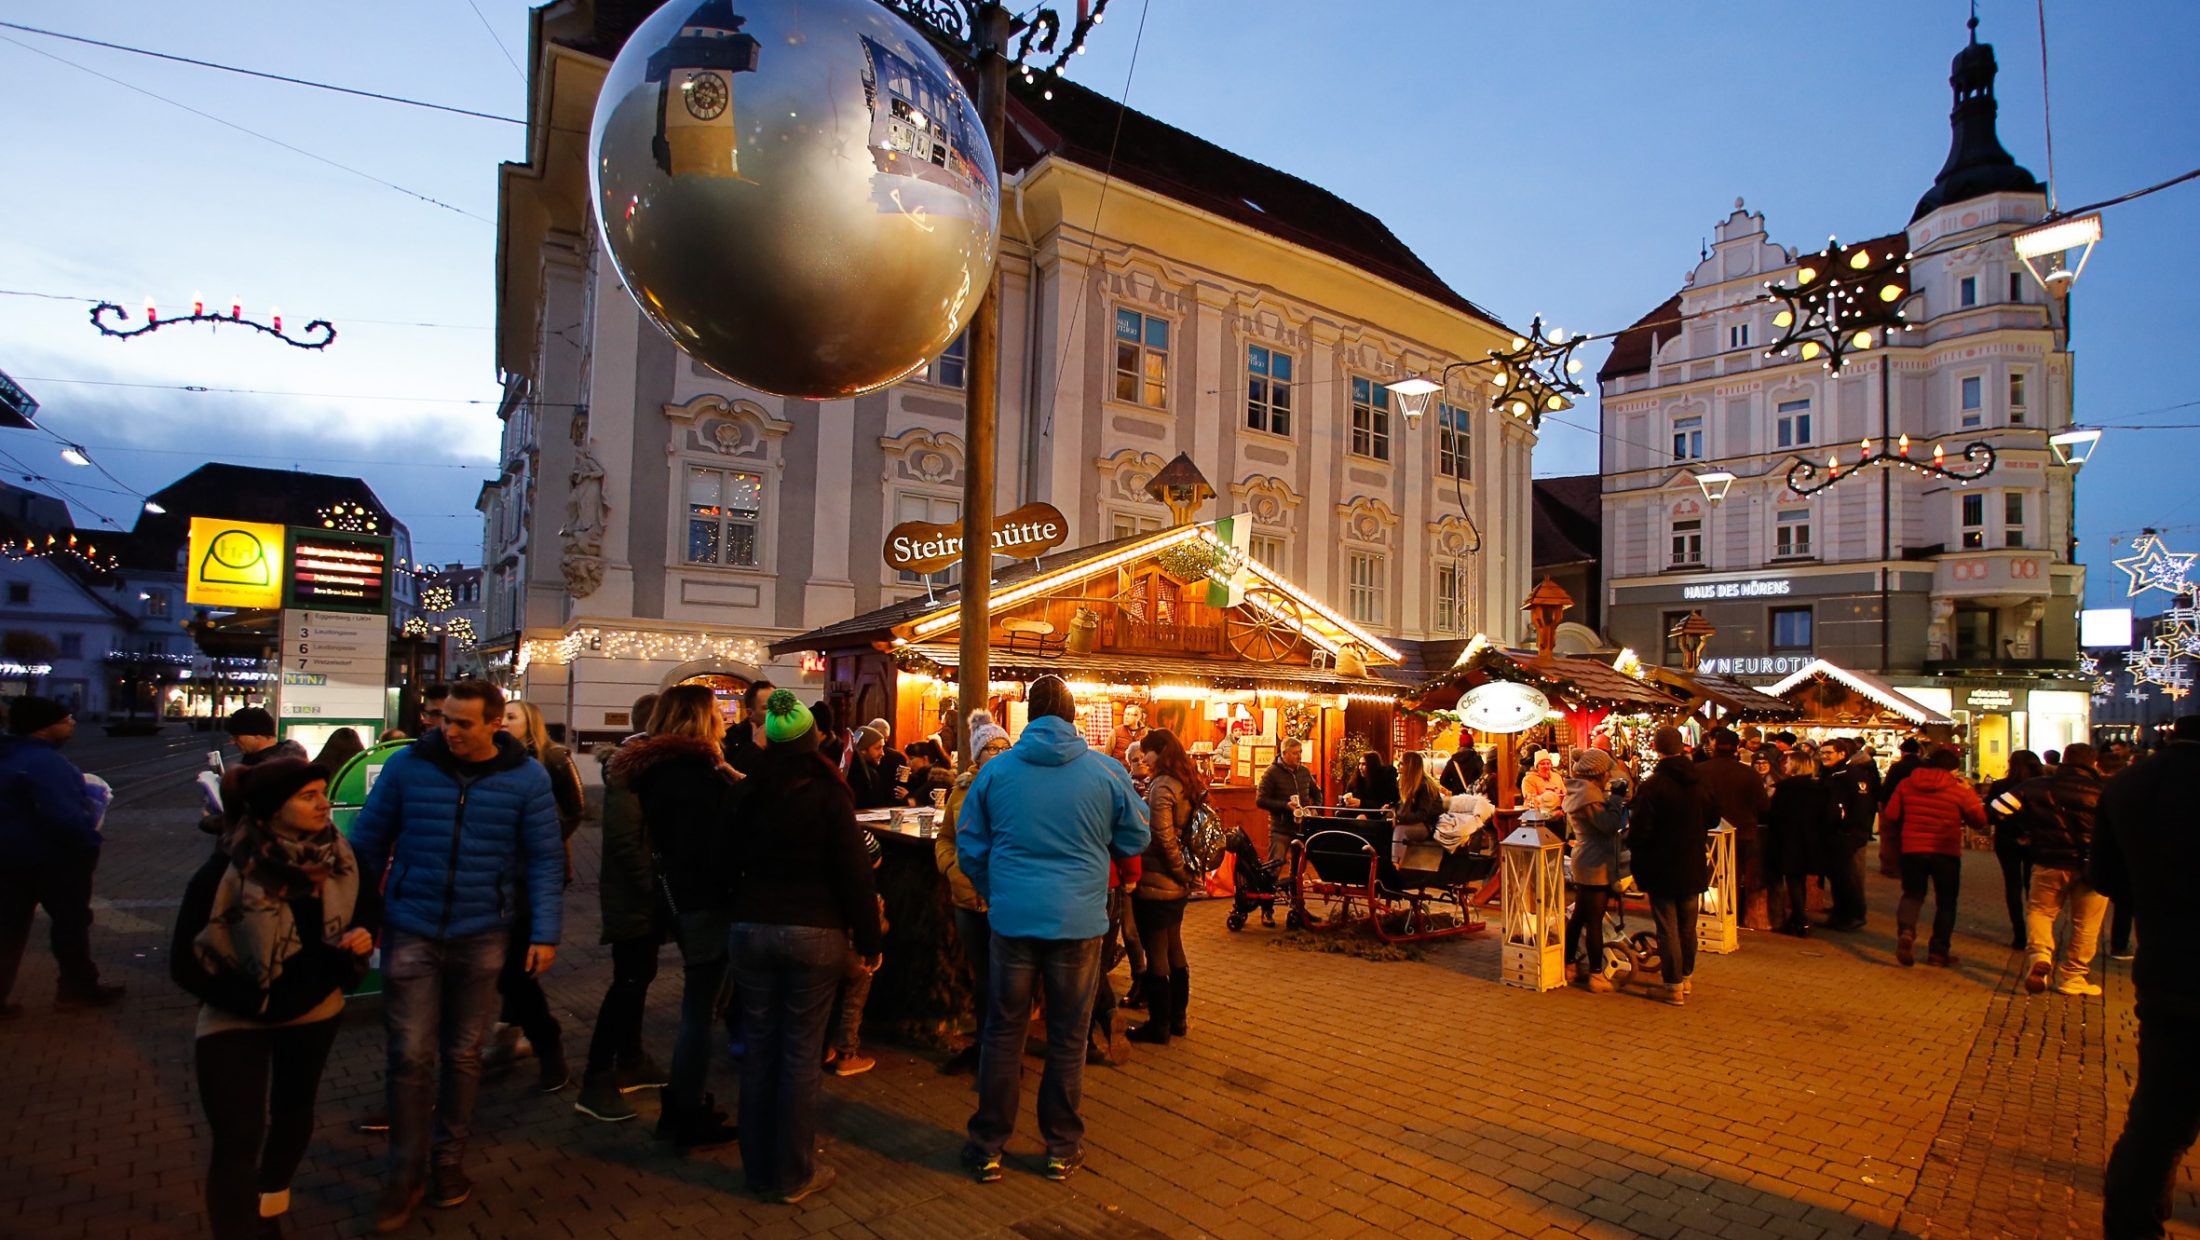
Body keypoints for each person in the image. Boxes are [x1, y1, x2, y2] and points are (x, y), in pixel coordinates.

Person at [349, 680, 563, 1232]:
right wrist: (360, 916)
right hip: (411, 925)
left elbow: (544, 859)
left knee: (463, 1055)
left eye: (463, 723)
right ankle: (404, 1172)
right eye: (445, 719)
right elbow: (368, 841)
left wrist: (544, 932)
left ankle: (447, 1160)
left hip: (483, 929)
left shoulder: (527, 778)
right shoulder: (408, 767)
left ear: (493, 724)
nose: (449, 731)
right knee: (409, 1054)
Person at [171, 758, 379, 1239]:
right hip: (236, 1018)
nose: (324, 803)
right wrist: (248, 1000)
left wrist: (361, 938)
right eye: (308, 796)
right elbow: (184, 963)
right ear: (271, 809)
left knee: (293, 1114)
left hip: (316, 1010)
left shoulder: (342, 859)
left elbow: (368, 909)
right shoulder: (224, 871)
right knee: (237, 1136)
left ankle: (270, 1204)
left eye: (322, 792)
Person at [956, 675, 1149, 1184]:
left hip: (1012, 921)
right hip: (1078, 923)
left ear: (1030, 715)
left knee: (1003, 1032)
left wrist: (998, 889)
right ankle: (1061, 1148)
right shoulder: (1106, 772)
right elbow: (1136, 836)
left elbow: (969, 848)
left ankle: (987, 1147)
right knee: (1067, 1035)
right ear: (1071, 715)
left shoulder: (995, 773)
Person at [728, 692, 881, 1204]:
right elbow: (854, 872)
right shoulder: (828, 793)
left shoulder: (746, 792)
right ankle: (793, 1173)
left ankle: (758, 1169)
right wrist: (869, 938)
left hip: (752, 928)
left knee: (760, 1050)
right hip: (814, 932)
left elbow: (722, 861)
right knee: (798, 1055)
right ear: (812, 741)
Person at [607, 685, 743, 1148]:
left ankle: (686, 1103)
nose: (724, 719)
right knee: (700, 1010)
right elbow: (714, 846)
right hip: (706, 900)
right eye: (717, 712)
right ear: (700, 719)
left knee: (701, 1005)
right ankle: (684, 1110)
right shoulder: (695, 777)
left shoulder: (655, 770)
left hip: (682, 899)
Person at [2092, 714, 2200, 1239]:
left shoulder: (2131, 784)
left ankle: (2131, 1225)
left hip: (2170, 971)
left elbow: (2105, 875)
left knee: (2156, 1122)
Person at [483, 699, 587, 1091]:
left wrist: (545, 839)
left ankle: (542, 1044)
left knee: (515, 967)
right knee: (507, 968)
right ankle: (510, 1036)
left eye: (512, 716)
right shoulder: (491, 761)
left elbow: (576, 808)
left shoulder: (552, 757)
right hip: (493, 879)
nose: (504, 722)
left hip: (534, 875)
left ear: (531, 722)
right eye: (502, 716)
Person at [576, 694, 669, 1123]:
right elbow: (624, 841)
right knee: (628, 981)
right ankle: (596, 1078)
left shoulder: (640, 766)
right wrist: (652, 886)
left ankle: (631, 1058)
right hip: (632, 899)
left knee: (639, 975)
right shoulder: (629, 770)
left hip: (638, 897)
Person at [0, 696, 123, 1016]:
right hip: (52, 858)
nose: (72, 724)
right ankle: (77, 988)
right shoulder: (44, 763)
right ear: (45, 727)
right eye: (66, 719)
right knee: (71, 923)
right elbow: (61, 815)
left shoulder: (10, 756)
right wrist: (89, 841)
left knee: (10, 928)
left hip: (10, 857)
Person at [934, 710, 1011, 1075]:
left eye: (1004, 747)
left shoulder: (1015, 789)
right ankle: (983, 1046)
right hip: (967, 898)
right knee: (981, 977)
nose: (998, 753)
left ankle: (1003, 1054)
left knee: (1005, 979)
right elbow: (946, 837)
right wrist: (951, 867)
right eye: (991, 748)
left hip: (1002, 897)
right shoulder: (962, 789)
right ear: (978, 754)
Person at [2006, 742, 2109, 997]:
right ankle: (2073, 975)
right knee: (2086, 923)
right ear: (2093, 764)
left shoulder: (2035, 786)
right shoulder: (2104, 792)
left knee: (2041, 911)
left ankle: (2040, 955)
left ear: (2064, 760)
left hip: (2049, 861)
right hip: (2092, 866)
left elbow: (1997, 808)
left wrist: (2027, 829)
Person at [1628, 726, 1717, 1006]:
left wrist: (1636, 848)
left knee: (1668, 928)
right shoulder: (1701, 781)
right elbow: (1713, 818)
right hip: (1692, 861)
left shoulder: (1653, 785)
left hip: (1662, 864)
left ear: (1656, 748)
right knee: (1688, 926)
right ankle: (1685, 977)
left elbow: (1640, 830)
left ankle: (1673, 985)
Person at [1125, 728, 1202, 1046]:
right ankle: (1178, 1020)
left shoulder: (1162, 786)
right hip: (1177, 882)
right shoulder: (1187, 781)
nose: (1144, 758)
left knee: (1156, 951)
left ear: (1161, 752)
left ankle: (1159, 1025)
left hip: (1159, 880)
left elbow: (1162, 836)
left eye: (1148, 752)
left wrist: (1178, 870)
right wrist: (1185, 874)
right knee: (1174, 946)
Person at [1881, 746, 1984, 968]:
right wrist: (1970, 793)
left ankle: (1906, 931)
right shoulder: (1958, 790)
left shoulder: (1906, 784)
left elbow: (1891, 814)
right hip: (1945, 851)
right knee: (1946, 902)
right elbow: (1979, 820)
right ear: (1953, 770)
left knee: (1912, 894)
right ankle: (1938, 951)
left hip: (1912, 848)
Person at [1562, 748, 1629, 993]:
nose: (1610, 775)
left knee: (1580, 915)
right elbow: (1608, 826)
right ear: (1598, 773)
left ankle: (1569, 964)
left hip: (1587, 858)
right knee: (1593, 919)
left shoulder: (1581, 792)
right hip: (1594, 862)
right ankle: (1596, 973)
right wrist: (1616, 800)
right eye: (1607, 771)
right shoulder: (1588, 795)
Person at [821, 831, 886, 1078]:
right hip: (856, 956)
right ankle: (847, 1054)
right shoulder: (869, 894)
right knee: (853, 1004)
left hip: (830, 949)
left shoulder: (830, 887)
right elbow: (876, 926)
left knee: (829, 1000)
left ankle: (823, 1048)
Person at [1696, 729, 1772, 930]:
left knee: (1710, 875)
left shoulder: (1700, 771)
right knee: (1735, 875)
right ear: (1737, 747)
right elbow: (1763, 805)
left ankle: (1711, 913)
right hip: (1742, 832)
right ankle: (1731, 914)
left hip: (1708, 832)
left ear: (1714, 745)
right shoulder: (1748, 773)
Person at [1763, 747, 1839, 936]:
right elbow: (1828, 816)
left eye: (1788, 763)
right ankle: (1799, 916)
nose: (1785, 766)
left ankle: (1799, 919)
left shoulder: (1786, 789)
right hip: (1811, 840)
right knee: (1800, 879)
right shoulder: (1819, 788)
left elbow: (1775, 816)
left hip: (1789, 840)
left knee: (1793, 879)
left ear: (1796, 765)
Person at [199, 707, 308, 835]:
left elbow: (252, 820)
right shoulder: (288, 760)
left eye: (236, 736)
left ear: (257, 736)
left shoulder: (264, 772)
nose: (232, 742)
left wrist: (209, 821)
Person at [1986, 750, 2047, 950]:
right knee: (2033, 886)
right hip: (2036, 839)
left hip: (2007, 839)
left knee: (2012, 885)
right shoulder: (2043, 786)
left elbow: (1991, 814)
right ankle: (2034, 932)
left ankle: (2019, 934)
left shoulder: (2000, 786)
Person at [1818, 738, 1873, 931]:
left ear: (1842, 754)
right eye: (1822, 753)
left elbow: (1861, 806)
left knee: (1848, 876)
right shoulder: (1829, 774)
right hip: (1833, 832)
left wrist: (1852, 829)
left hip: (1846, 833)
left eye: (1829, 753)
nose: (1824, 756)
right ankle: (1841, 912)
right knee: (1838, 876)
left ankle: (1853, 915)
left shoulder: (1851, 775)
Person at [1255, 738, 1320, 871]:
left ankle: (1295, 884)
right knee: (1274, 867)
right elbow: (1260, 800)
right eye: (1295, 753)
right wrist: (1285, 806)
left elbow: (1317, 793)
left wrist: (1314, 808)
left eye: (1300, 752)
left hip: (1302, 828)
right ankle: (1270, 885)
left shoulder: (1304, 771)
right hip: (1281, 829)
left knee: (1299, 870)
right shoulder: (1271, 773)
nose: (1299, 756)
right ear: (1284, 753)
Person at [1388, 750, 1446, 868]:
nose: (1398, 766)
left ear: (1410, 766)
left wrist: (1398, 818)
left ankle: (1395, 865)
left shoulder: (1425, 786)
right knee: (1385, 827)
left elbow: (1423, 814)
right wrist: (1391, 809)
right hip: (1413, 822)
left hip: (1428, 825)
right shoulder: (1405, 783)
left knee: (1400, 830)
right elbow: (1401, 806)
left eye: (1401, 763)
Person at [724, 679, 775, 777]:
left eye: (777, 706)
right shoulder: (733, 739)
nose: (775, 712)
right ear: (750, 713)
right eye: (767, 708)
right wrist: (755, 748)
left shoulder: (788, 735)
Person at [846, 725, 904, 810]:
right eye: (877, 748)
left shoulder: (873, 770)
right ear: (863, 751)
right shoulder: (864, 775)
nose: (882, 753)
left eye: (882, 748)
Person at [903, 740, 955, 808]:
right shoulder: (920, 777)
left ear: (925, 759)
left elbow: (923, 803)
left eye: (911, 759)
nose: (908, 762)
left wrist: (908, 797)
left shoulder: (939, 780)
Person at [1879, 737, 1922, 808]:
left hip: (1901, 805)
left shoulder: (1896, 767)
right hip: (1920, 805)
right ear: (1918, 752)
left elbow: (1888, 789)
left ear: (1902, 752)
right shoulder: (1925, 766)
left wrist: (1883, 804)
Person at [1519, 751, 1564, 816]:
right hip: (1537, 816)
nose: (1546, 766)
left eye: (1548, 763)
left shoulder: (1557, 777)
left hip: (1558, 815)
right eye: (1542, 764)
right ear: (1537, 766)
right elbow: (1531, 801)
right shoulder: (1528, 779)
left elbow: (1564, 793)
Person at [1107, 703, 1149, 768]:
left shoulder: (1145, 733)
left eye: (1129, 714)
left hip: (1139, 770)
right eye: (1125, 714)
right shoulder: (1115, 732)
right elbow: (1107, 755)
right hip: (1119, 769)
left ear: (1137, 717)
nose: (1126, 717)